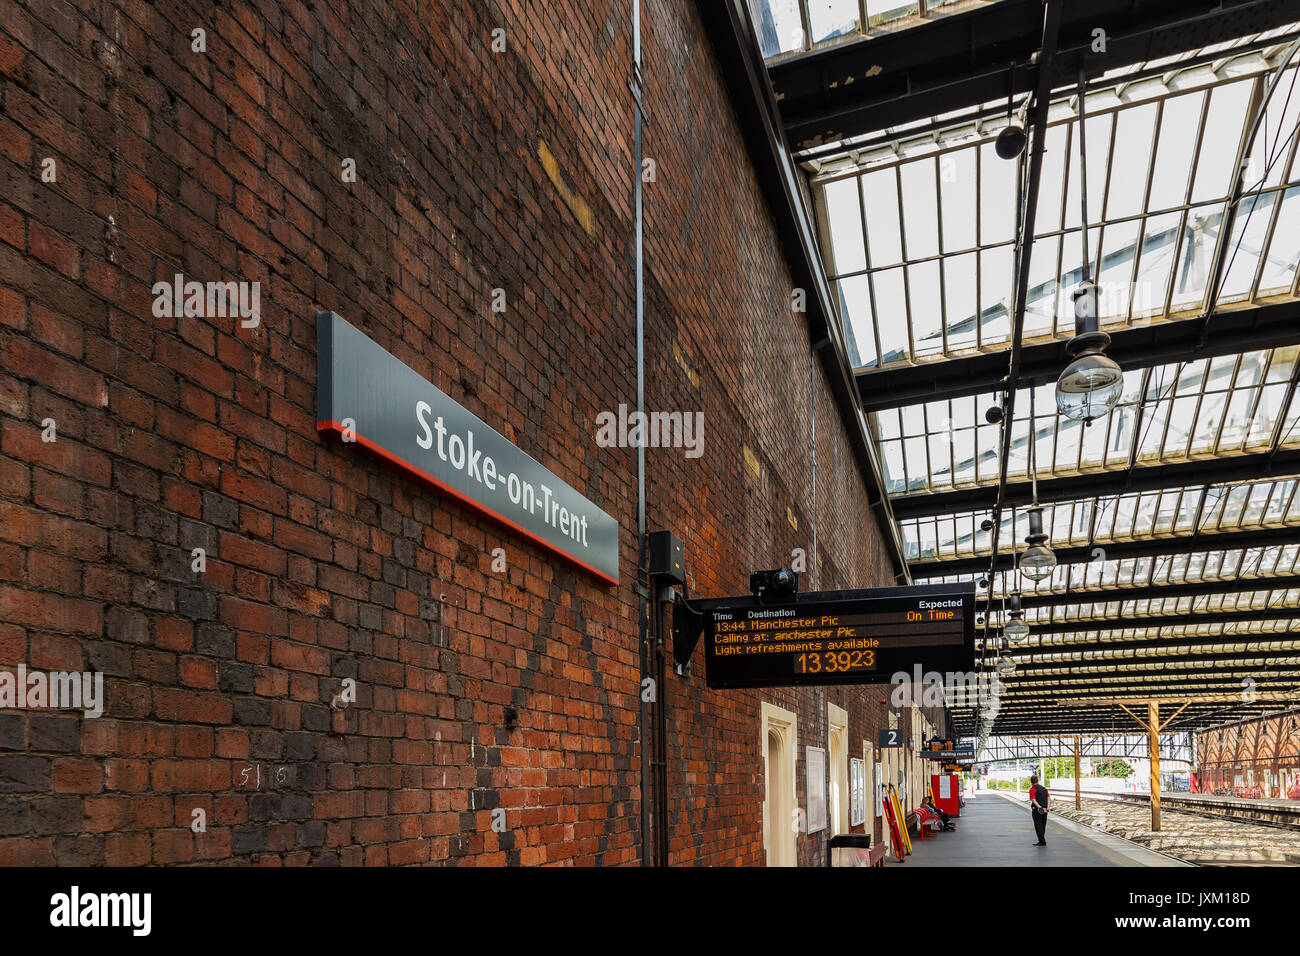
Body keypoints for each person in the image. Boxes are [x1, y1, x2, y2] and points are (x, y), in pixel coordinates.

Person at [1028, 774, 1050, 845]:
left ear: (1031, 782)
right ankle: (1042, 839)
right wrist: (1048, 807)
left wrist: (1039, 807)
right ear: (1037, 781)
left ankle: (1042, 841)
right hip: (1045, 809)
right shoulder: (1044, 789)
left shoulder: (1032, 789)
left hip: (1037, 810)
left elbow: (1033, 800)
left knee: (1038, 825)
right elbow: (1049, 798)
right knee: (1043, 824)